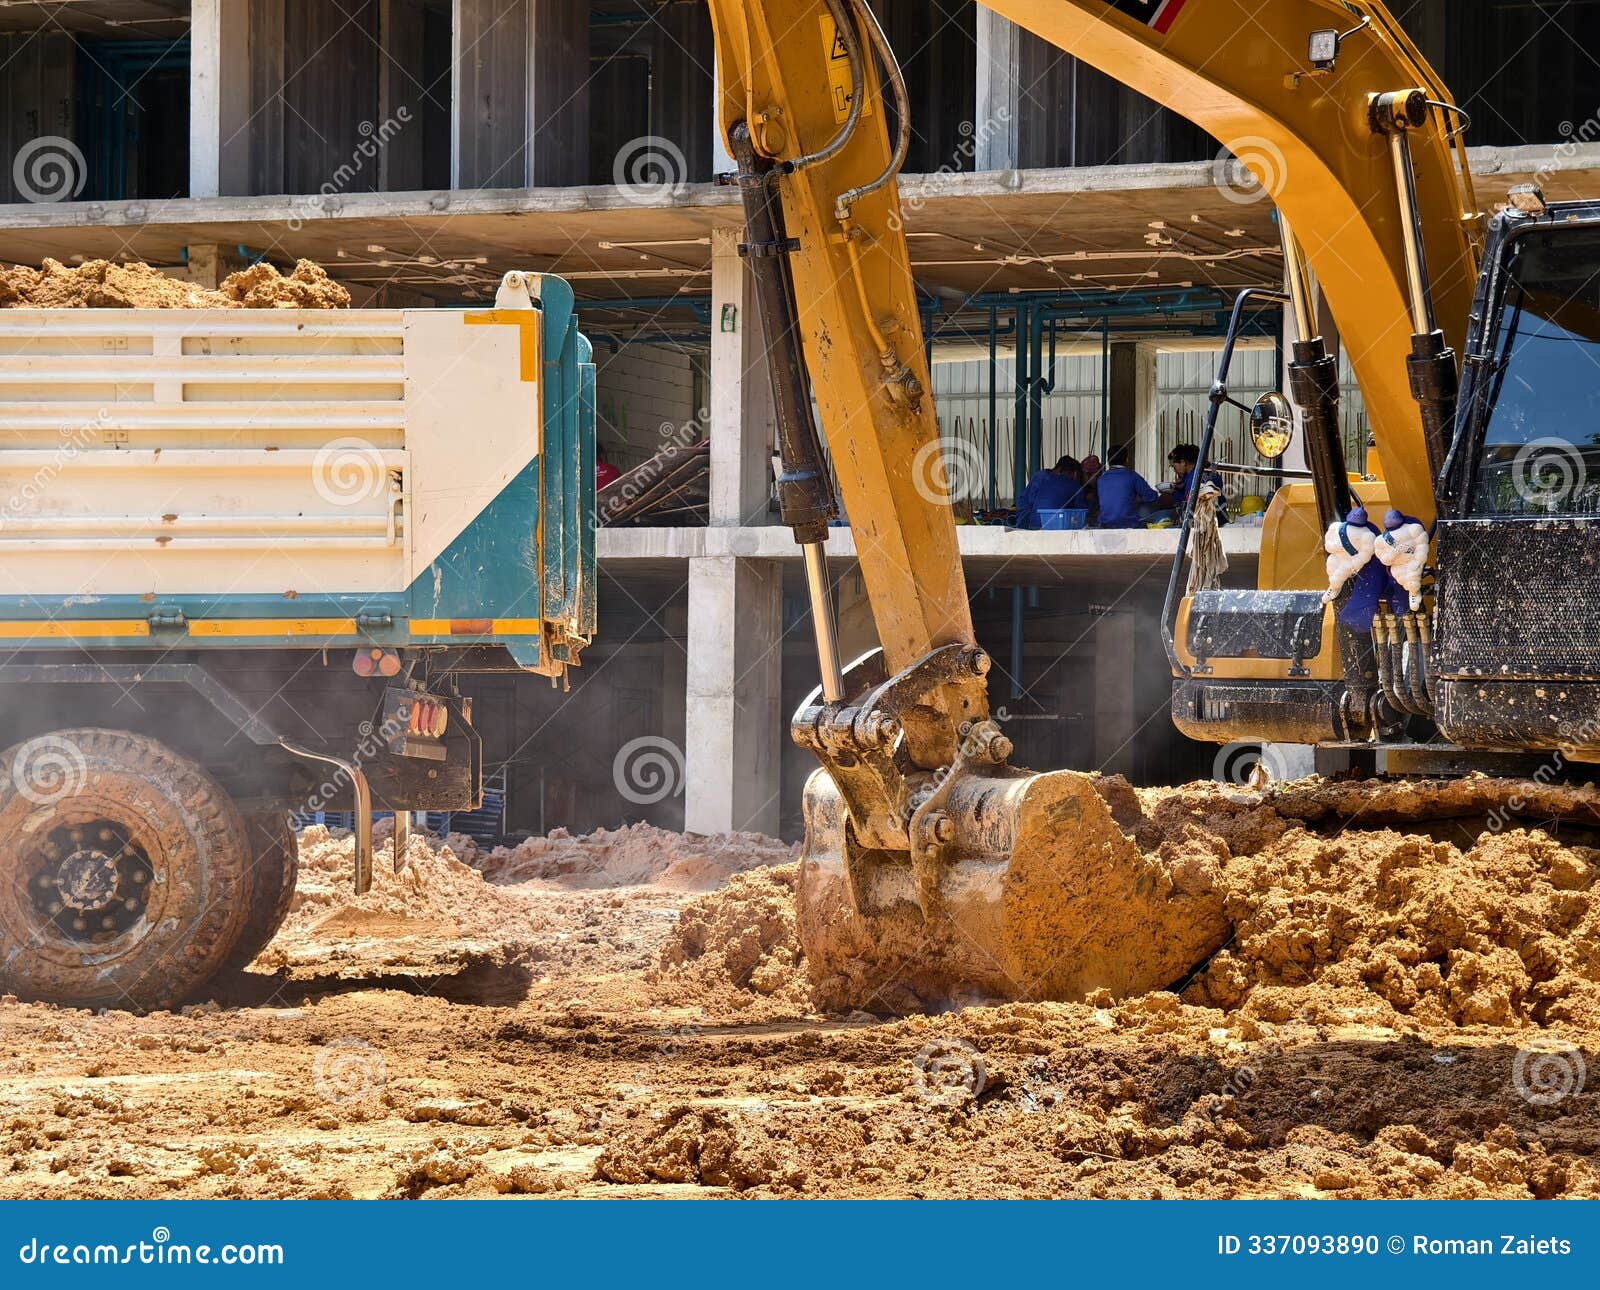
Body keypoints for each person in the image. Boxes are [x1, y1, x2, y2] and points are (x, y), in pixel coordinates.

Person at [1094, 444, 1159, 528]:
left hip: (1105, 524)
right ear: (1127, 459)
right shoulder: (1132, 476)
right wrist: (1140, 499)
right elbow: (1152, 497)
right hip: (1129, 523)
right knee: (1148, 508)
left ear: (1108, 460)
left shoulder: (1101, 479)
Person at [1013, 455, 1085, 530]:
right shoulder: (1042, 477)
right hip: (1026, 518)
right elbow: (1032, 501)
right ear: (1075, 473)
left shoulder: (1045, 478)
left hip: (1033, 522)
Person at [1160, 443, 1226, 522]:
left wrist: (1174, 493)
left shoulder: (1195, 477)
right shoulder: (1201, 470)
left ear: (1183, 462)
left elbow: (1190, 503)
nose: (1174, 470)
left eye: (1174, 467)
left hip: (1209, 521)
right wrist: (1179, 488)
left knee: (1164, 499)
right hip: (1220, 517)